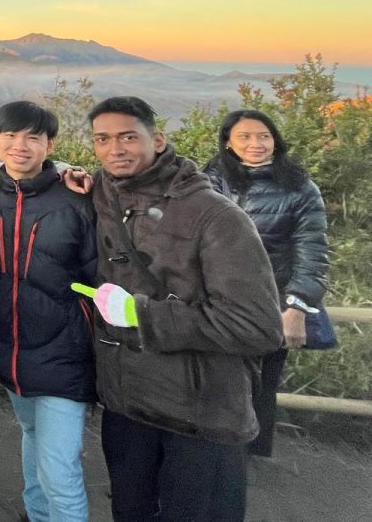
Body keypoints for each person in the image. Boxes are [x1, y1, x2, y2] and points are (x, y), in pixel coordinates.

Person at [85, 96, 281, 522]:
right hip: (127, 408)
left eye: (127, 137)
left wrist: (142, 316)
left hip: (200, 416)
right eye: (103, 139)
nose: (114, 149)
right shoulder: (104, 192)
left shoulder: (215, 216)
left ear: (157, 140)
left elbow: (258, 326)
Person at [0, 101, 97, 522]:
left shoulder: (75, 199)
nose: (20, 146)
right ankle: (37, 514)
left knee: (60, 472)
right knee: (33, 433)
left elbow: (99, 274)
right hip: (7, 349)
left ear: (50, 144)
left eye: (33, 137)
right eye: (11, 136)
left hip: (64, 352)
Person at [203, 109, 328, 456]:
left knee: (261, 386)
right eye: (244, 136)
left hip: (270, 304)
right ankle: (216, 459)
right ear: (228, 143)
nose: (255, 144)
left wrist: (297, 306)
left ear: (275, 140)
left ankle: (250, 463)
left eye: (263, 136)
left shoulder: (299, 187)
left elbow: (313, 252)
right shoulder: (208, 181)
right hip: (214, 301)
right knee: (213, 380)